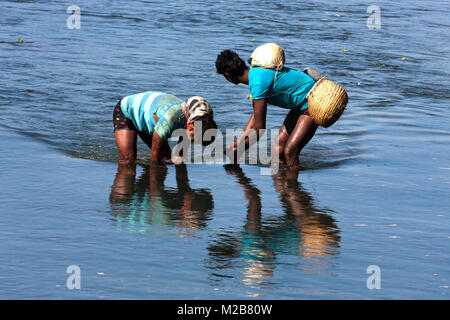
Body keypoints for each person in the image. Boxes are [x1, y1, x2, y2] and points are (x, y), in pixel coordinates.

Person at [215, 49, 321, 169]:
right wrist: (240, 142)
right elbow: (255, 117)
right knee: (277, 151)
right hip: (300, 105)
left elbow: (260, 129)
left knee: (290, 151)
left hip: (314, 101)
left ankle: (292, 185)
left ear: (228, 76)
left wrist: (239, 151)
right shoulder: (255, 74)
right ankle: (283, 184)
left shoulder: (257, 84)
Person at [113, 91, 217, 165]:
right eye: (193, 139)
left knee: (166, 158)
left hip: (151, 114)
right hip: (127, 110)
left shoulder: (205, 119)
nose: (192, 142)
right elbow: (154, 161)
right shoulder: (170, 118)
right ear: (189, 127)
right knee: (128, 161)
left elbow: (179, 158)